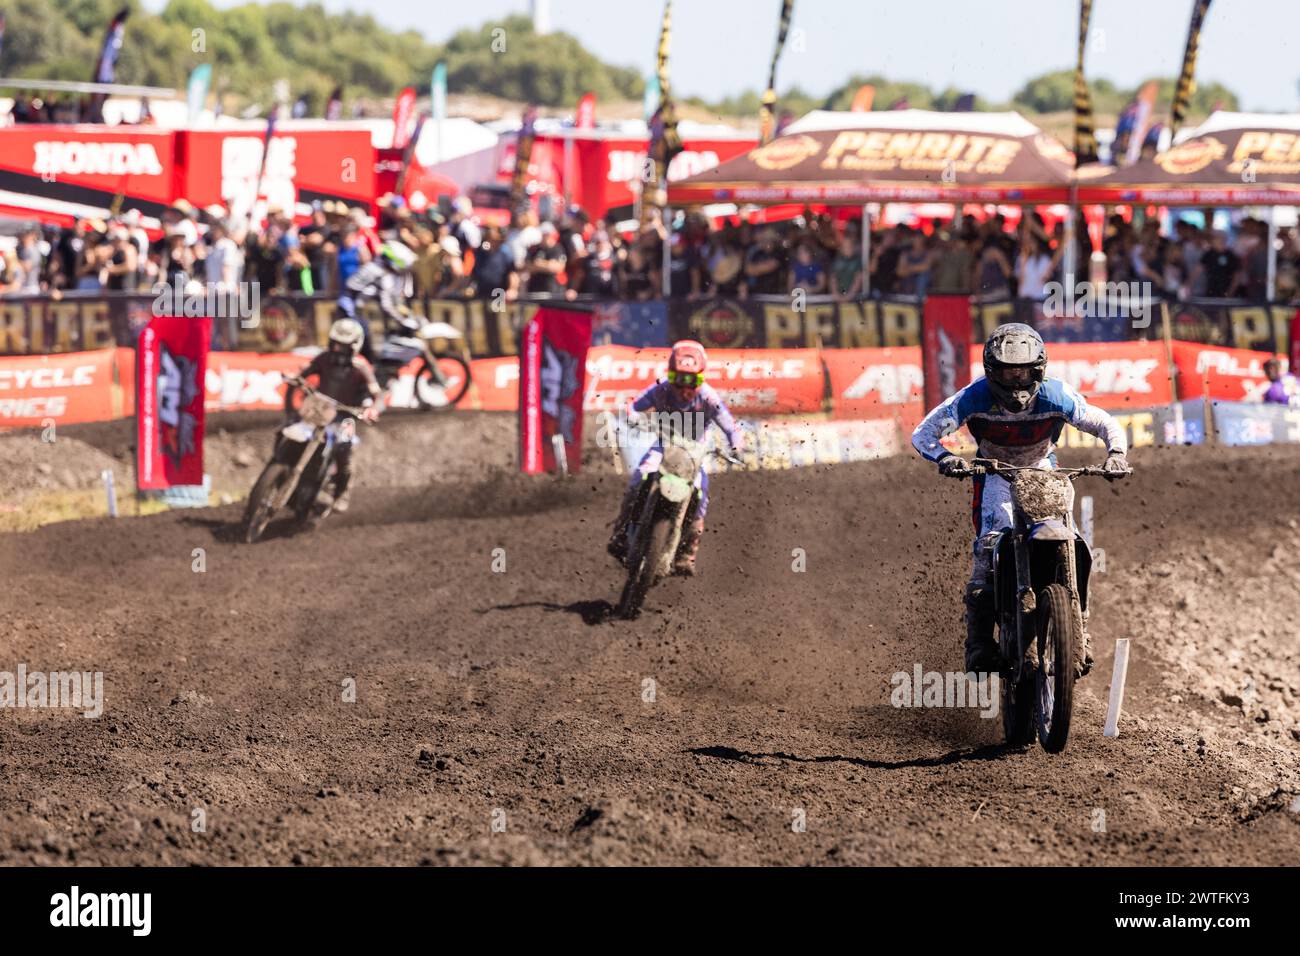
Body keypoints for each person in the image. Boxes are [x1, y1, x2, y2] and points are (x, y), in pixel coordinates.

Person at [911, 323, 1130, 677]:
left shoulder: (1056, 395)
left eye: (1024, 370)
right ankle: (979, 644)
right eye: (1009, 371)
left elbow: (1104, 422)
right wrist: (945, 457)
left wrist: (1117, 453)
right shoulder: (973, 397)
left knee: (1073, 541)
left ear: (1038, 368)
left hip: (1044, 471)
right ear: (992, 370)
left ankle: (1080, 631)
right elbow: (924, 432)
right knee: (987, 548)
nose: (1016, 380)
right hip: (994, 474)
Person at [607, 340, 745, 576]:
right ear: (671, 374)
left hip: (694, 453)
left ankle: (686, 555)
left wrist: (736, 446)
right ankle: (621, 532)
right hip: (664, 445)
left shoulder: (709, 397)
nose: (685, 387)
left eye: (693, 380)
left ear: (702, 378)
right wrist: (632, 416)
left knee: (700, 496)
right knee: (639, 477)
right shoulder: (660, 388)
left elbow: (731, 427)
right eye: (679, 378)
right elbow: (634, 406)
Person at [292, 319, 383, 513]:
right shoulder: (324, 358)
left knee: (345, 452)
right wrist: (297, 380)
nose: (338, 349)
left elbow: (376, 394)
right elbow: (305, 374)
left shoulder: (361, 367)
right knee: (290, 430)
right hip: (320, 409)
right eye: (335, 343)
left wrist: (372, 409)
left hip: (346, 416)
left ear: (355, 346)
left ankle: (342, 494)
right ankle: (284, 472)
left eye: (343, 346)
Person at [338, 240, 419, 364]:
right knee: (366, 350)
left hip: (350, 307)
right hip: (351, 310)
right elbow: (386, 305)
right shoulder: (381, 274)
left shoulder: (375, 267)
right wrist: (402, 321)